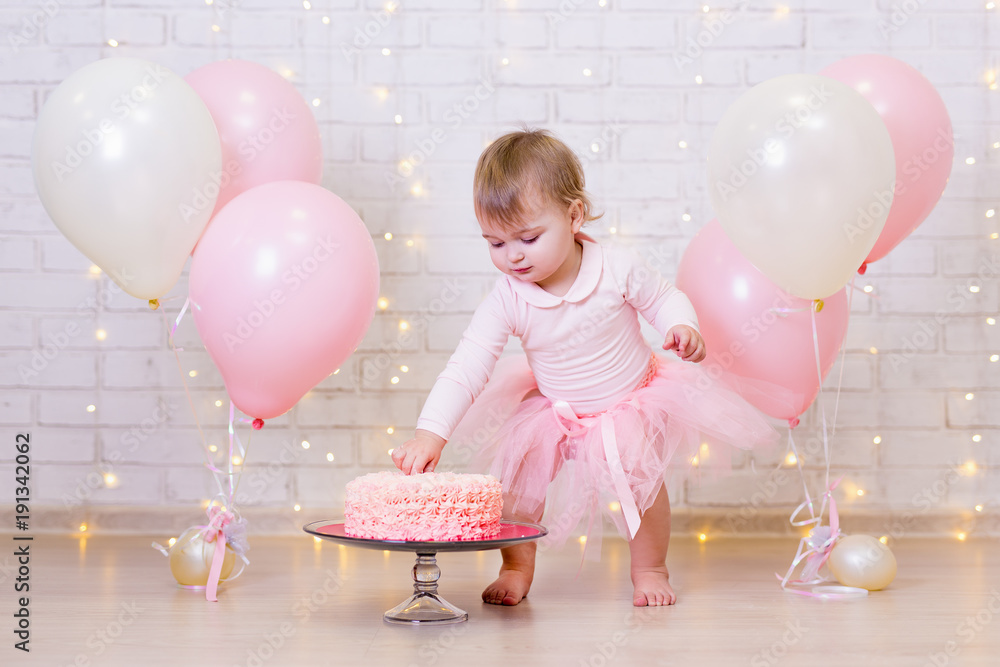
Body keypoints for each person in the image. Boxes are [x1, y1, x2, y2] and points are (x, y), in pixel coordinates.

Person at [391, 128, 780, 608]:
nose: (512, 255)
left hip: (628, 402)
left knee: (642, 490)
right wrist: (431, 434)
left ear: (573, 216)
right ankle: (516, 565)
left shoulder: (615, 267)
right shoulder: (507, 298)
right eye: (494, 243)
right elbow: (466, 366)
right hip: (555, 410)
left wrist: (681, 325)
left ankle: (650, 567)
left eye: (528, 238)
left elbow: (664, 298)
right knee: (517, 491)